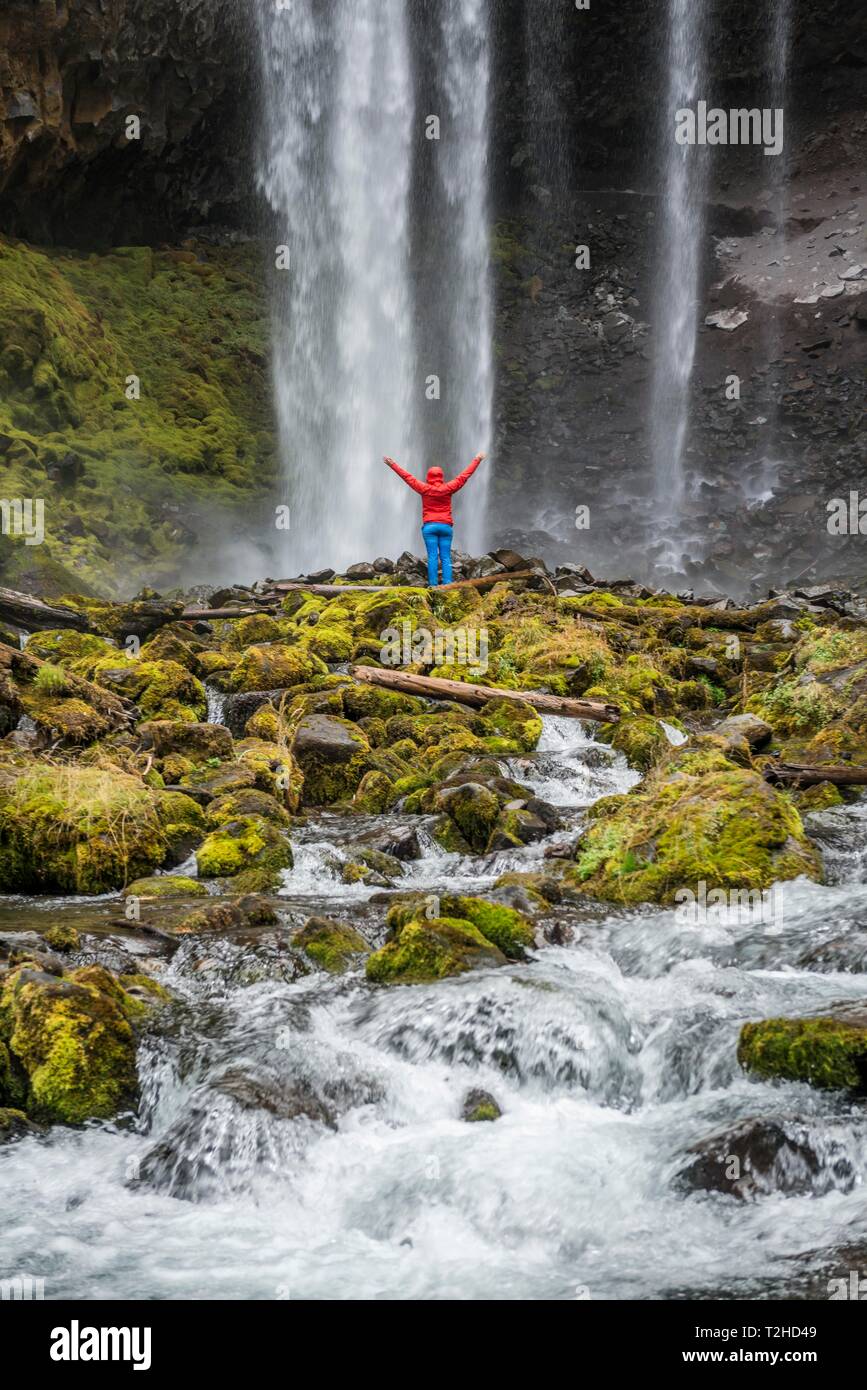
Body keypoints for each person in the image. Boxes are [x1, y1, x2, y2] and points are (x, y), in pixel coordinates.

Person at [383, 452, 486, 587]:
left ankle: (432, 585)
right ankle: (447, 584)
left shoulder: (424, 489)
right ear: (441, 477)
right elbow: (464, 476)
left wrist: (392, 464)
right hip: (445, 527)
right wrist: (477, 459)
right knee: (445, 557)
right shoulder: (449, 488)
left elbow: (407, 477)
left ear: (428, 477)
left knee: (432, 557)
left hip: (430, 527)